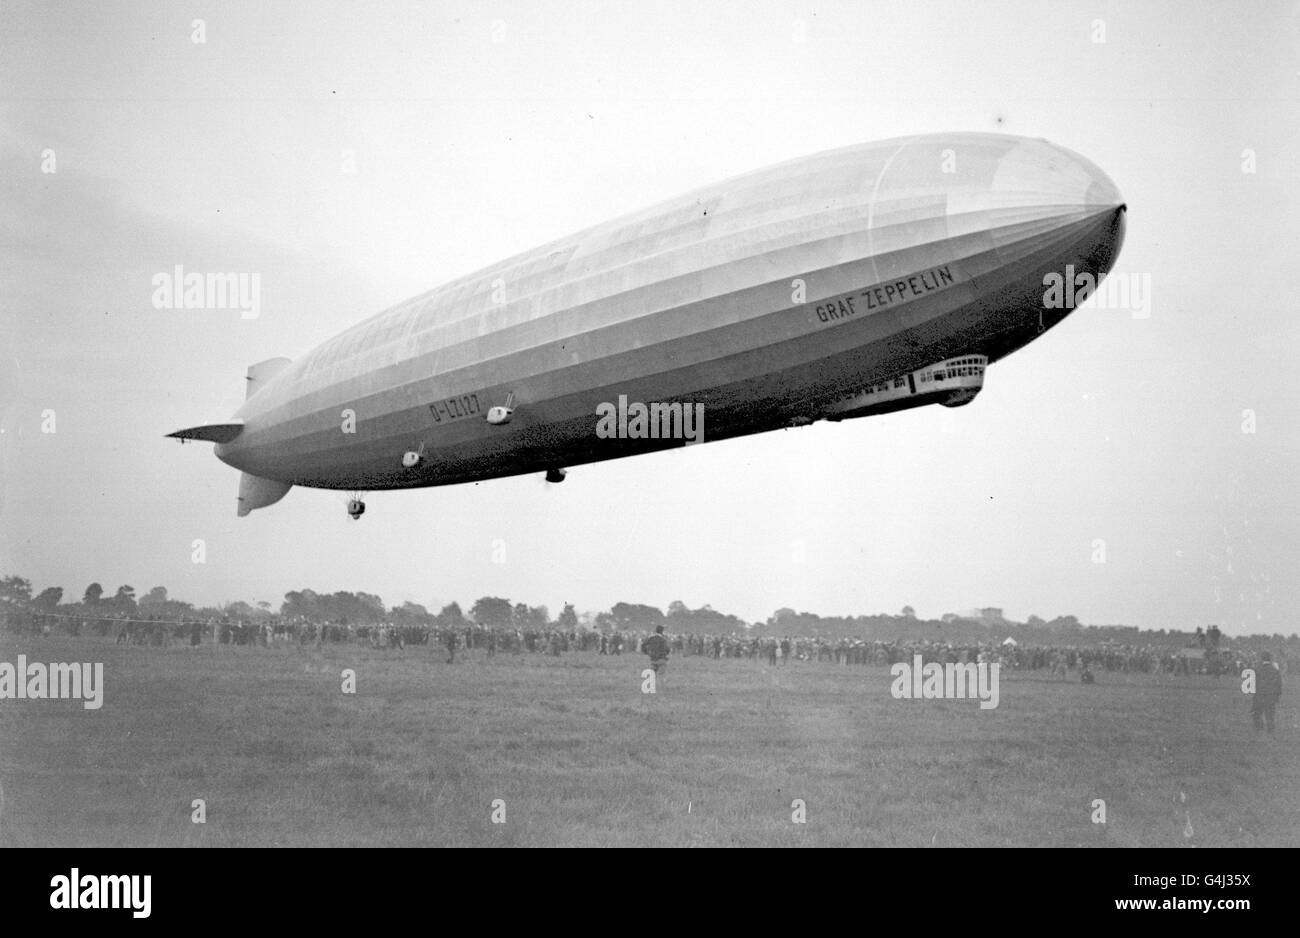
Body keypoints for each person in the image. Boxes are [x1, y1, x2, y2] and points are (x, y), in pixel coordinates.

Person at [1253, 652, 1283, 735]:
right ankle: (1270, 730)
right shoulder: (1275, 670)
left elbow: (1253, 683)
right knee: (1270, 714)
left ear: (1262, 658)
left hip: (1259, 694)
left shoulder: (1257, 669)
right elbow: (1279, 684)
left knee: (1257, 712)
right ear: (1270, 658)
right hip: (1271, 695)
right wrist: (1277, 695)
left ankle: (1259, 728)